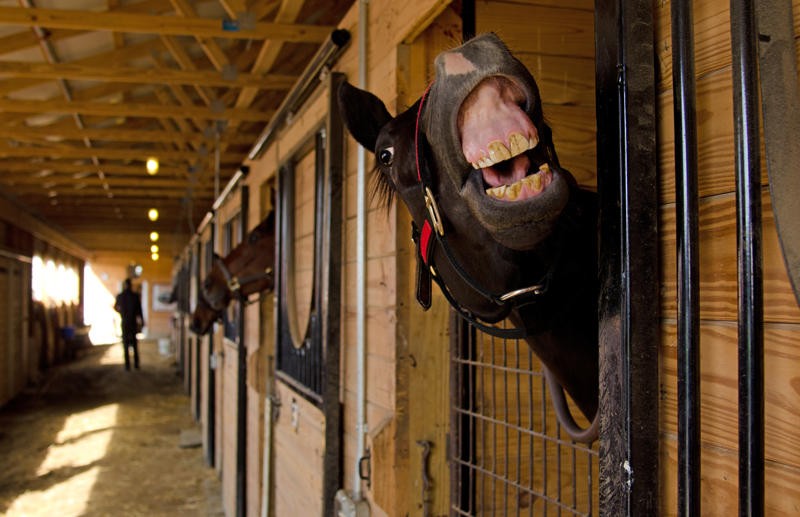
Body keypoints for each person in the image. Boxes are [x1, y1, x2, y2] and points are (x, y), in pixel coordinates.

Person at [114, 278, 144, 370]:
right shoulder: (135, 296)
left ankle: (127, 365)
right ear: (130, 285)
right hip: (132, 322)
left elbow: (115, 307)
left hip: (125, 321)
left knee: (125, 343)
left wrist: (121, 313)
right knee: (134, 343)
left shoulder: (120, 296)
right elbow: (140, 310)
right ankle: (136, 364)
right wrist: (142, 320)